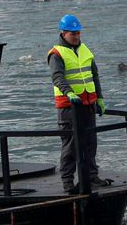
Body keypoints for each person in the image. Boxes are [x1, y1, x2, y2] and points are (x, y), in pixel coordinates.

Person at [48, 13, 112, 194]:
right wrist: (69, 92)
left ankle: (92, 176)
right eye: (73, 33)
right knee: (70, 145)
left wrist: (99, 98)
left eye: (78, 33)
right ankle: (68, 181)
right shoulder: (56, 54)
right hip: (69, 107)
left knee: (91, 142)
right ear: (63, 33)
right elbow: (57, 77)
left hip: (88, 103)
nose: (76, 36)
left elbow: (94, 75)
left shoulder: (85, 50)